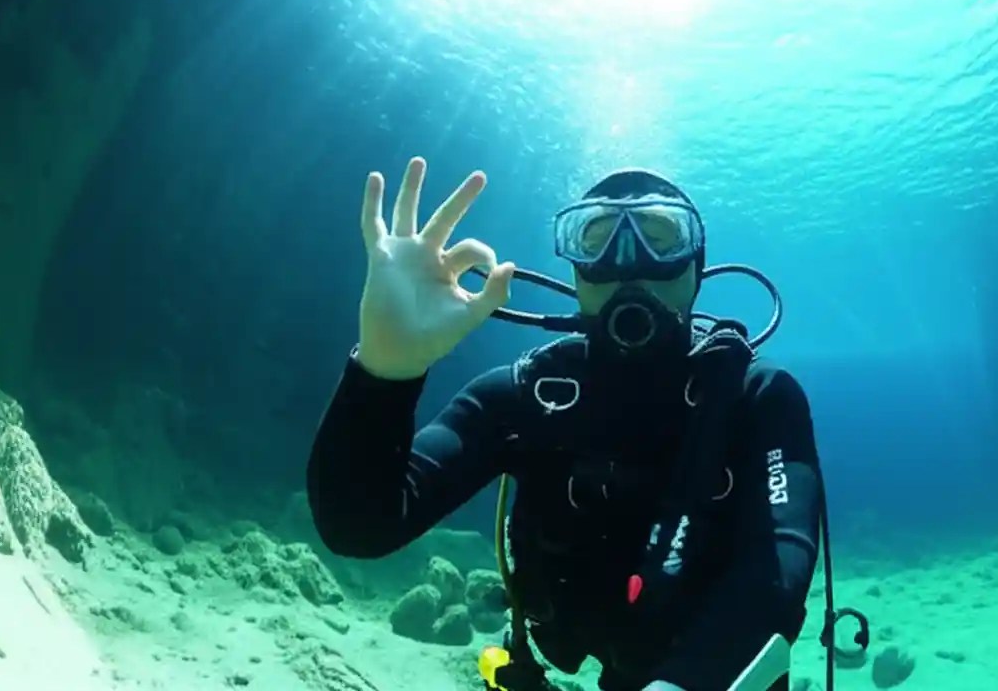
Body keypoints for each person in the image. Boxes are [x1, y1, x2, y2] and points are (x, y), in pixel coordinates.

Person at [307, 157, 865, 691]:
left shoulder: (757, 399)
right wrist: (384, 371)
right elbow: (358, 526)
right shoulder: (524, 397)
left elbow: (777, 576)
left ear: (697, 268)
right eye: (595, 240)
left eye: (661, 236)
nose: (629, 263)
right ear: (574, 271)